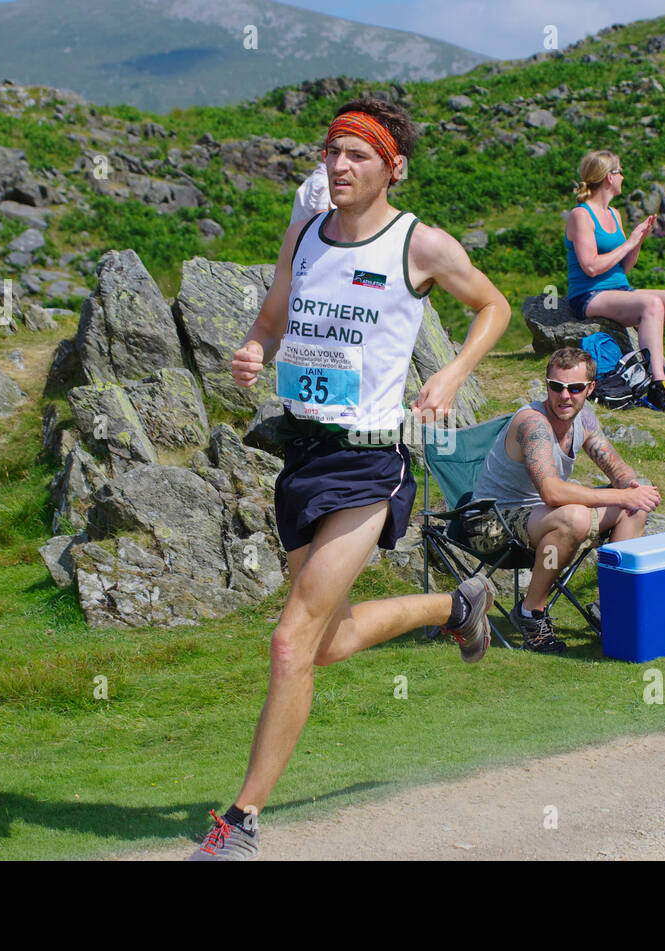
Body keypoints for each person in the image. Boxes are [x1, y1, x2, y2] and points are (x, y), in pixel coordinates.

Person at [189, 96, 511, 860]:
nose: (337, 166)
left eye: (356, 155)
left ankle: (241, 821)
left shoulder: (418, 245)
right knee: (324, 641)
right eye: (331, 152)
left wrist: (451, 375)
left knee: (289, 640)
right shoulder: (305, 234)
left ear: (391, 168)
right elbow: (272, 320)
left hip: (370, 461)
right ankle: (455, 603)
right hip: (301, 457)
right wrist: (252, 354)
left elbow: (492, 306)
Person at [463, 347, 662, 653]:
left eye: (575, 388)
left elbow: (614, 465)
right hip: (490, 523)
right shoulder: (534, 423)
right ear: (547, 385)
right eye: (555, 386)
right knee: (576, 517)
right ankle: (530, 614)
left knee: (633, 507)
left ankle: (612, 610)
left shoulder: (585, 419)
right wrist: (621, 492)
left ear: (591, 388)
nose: (564, 396)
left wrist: (634, 487)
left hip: (541, 517)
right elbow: (552, 492)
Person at [565, 149, 665, 414]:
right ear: (608, 177)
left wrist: (637, 243)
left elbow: (624, 267)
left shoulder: (614, 214)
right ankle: (657, 386)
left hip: (618, 289)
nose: (623, 177)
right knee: (651, 304)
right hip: (589, 295)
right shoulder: (581, 215)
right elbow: (591, 266)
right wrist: (628, 242)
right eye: (619, 171)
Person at [289, 160, 334, 228]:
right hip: (309, 235)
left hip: (298, 235)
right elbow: (321, 220)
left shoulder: (313, 179)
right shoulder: (325, 182)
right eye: (334, 152)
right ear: (324, 155)